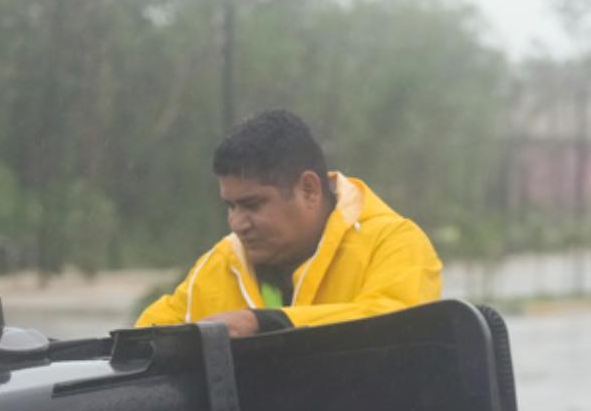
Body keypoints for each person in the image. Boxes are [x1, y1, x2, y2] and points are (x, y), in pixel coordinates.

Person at [136, 109, 442, 335]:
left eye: (252, 205)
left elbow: (396, 327)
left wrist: (264, 325)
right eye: (230, 206)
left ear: (308, 190)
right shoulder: (220, 263)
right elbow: (144, 341)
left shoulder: (395, 244)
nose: (237, 223)